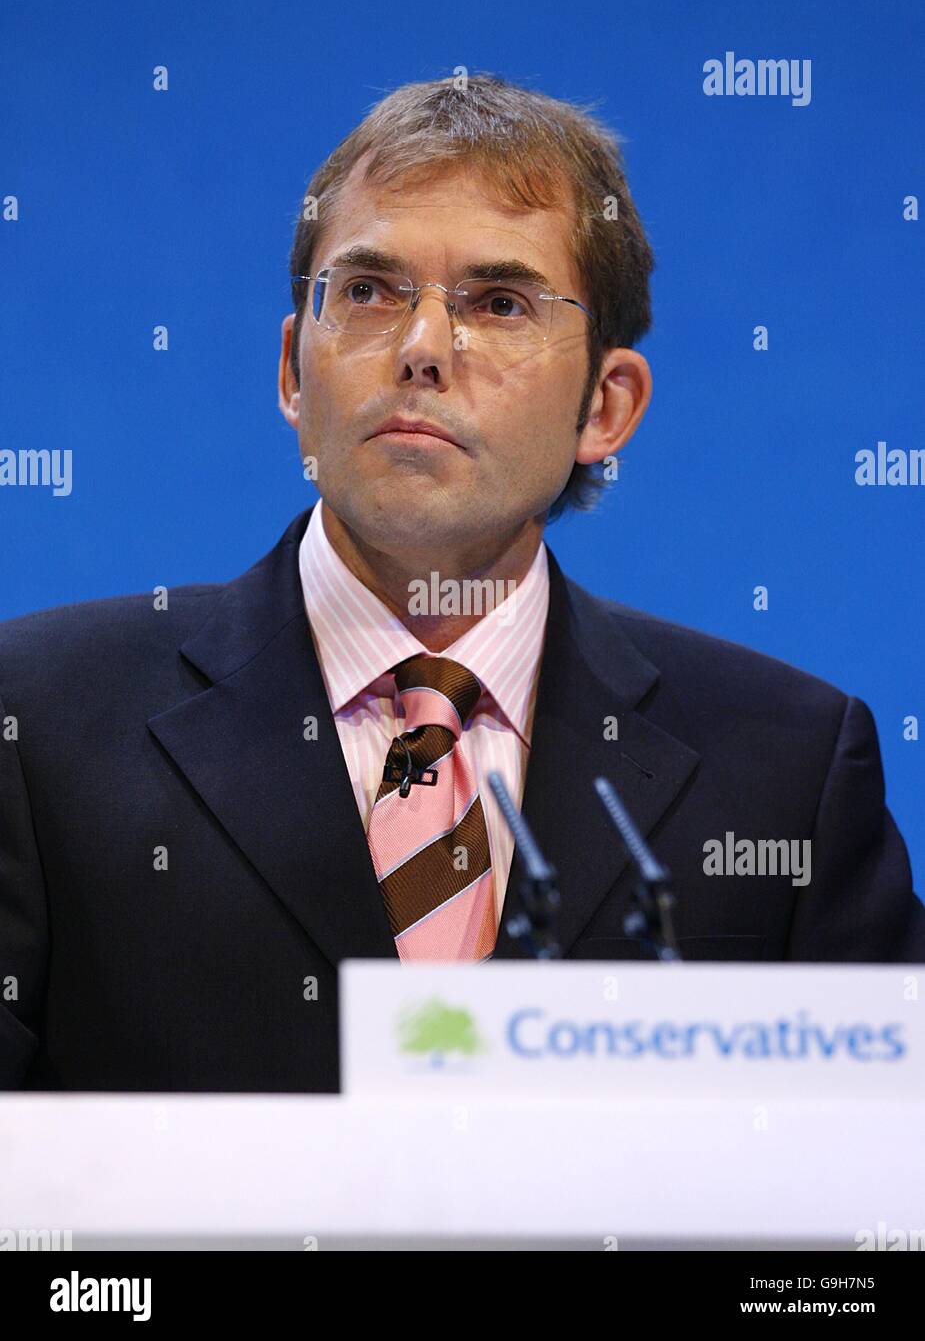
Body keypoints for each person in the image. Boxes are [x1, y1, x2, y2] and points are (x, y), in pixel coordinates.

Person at [1, 76, 922, 1093]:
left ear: (604, 408)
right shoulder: (36, 722)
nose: (422, 348)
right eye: (366, 291)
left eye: (498, 302)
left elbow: (871, 1178)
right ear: (292, 373)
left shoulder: (786, 768)